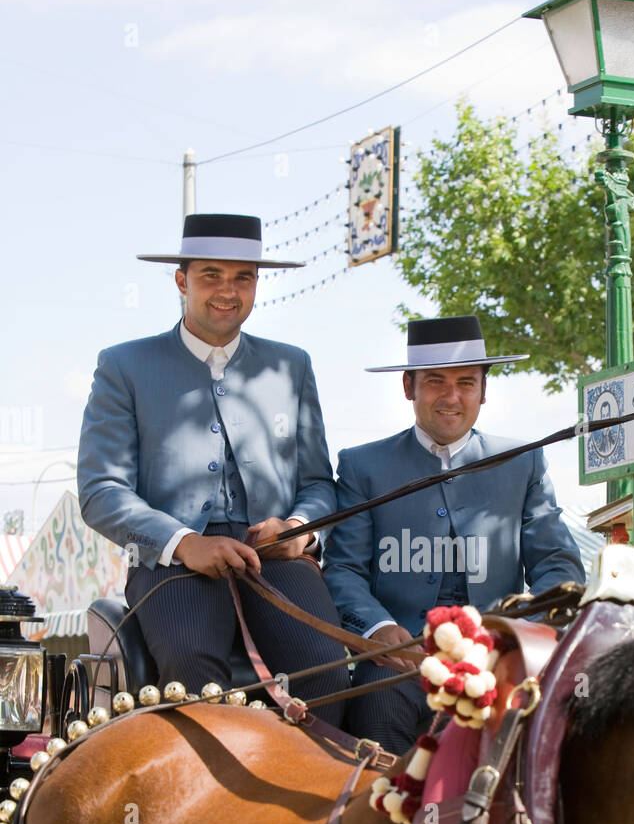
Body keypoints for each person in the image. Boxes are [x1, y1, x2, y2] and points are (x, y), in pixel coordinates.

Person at [77, 213, 349, 722]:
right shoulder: (124, 366)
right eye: (211, 276)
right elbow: (101, 489)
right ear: (181, 281)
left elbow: (317, 483)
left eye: (243, 277)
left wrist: (297, 531)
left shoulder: (292, 366)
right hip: (170, 561)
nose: (228, 291)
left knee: (327, 672)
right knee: (191, 673)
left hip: (275, 558)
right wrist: (184, 542)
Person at [323, 315, 585, 751]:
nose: (451, 396)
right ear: (408, 387)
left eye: (466, 382)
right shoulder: (361, 466)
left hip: (497, 663)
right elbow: (343, 570)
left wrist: (516, 635)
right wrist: (381, 632)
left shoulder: (524, 462)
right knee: (374, 743)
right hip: (396, 668)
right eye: (435, 382)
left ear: (484, 391)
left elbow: (557, 565)